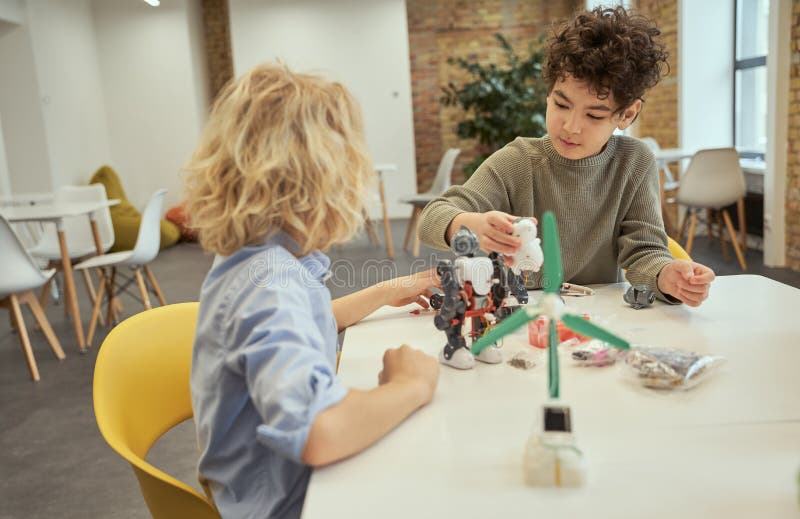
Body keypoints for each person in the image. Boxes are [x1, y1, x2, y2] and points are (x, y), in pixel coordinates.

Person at [184, 63, 440, 519]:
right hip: (290, 504)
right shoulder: (270, 284)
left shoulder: (260, 258)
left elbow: (311, 318)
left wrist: (387, 291)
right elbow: (319, 431)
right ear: (321, 185)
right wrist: (412, 385)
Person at [418, 6, 714, 307]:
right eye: (561, 105)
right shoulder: (517, 161)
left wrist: (665, 276)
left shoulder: (635, 162)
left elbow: (645, 252)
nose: (571, 127)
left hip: (600, 313)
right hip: (526, 312)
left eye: (594, 115)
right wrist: (472, 223)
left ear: (627, 114)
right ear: (549, 95)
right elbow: (432, 217)